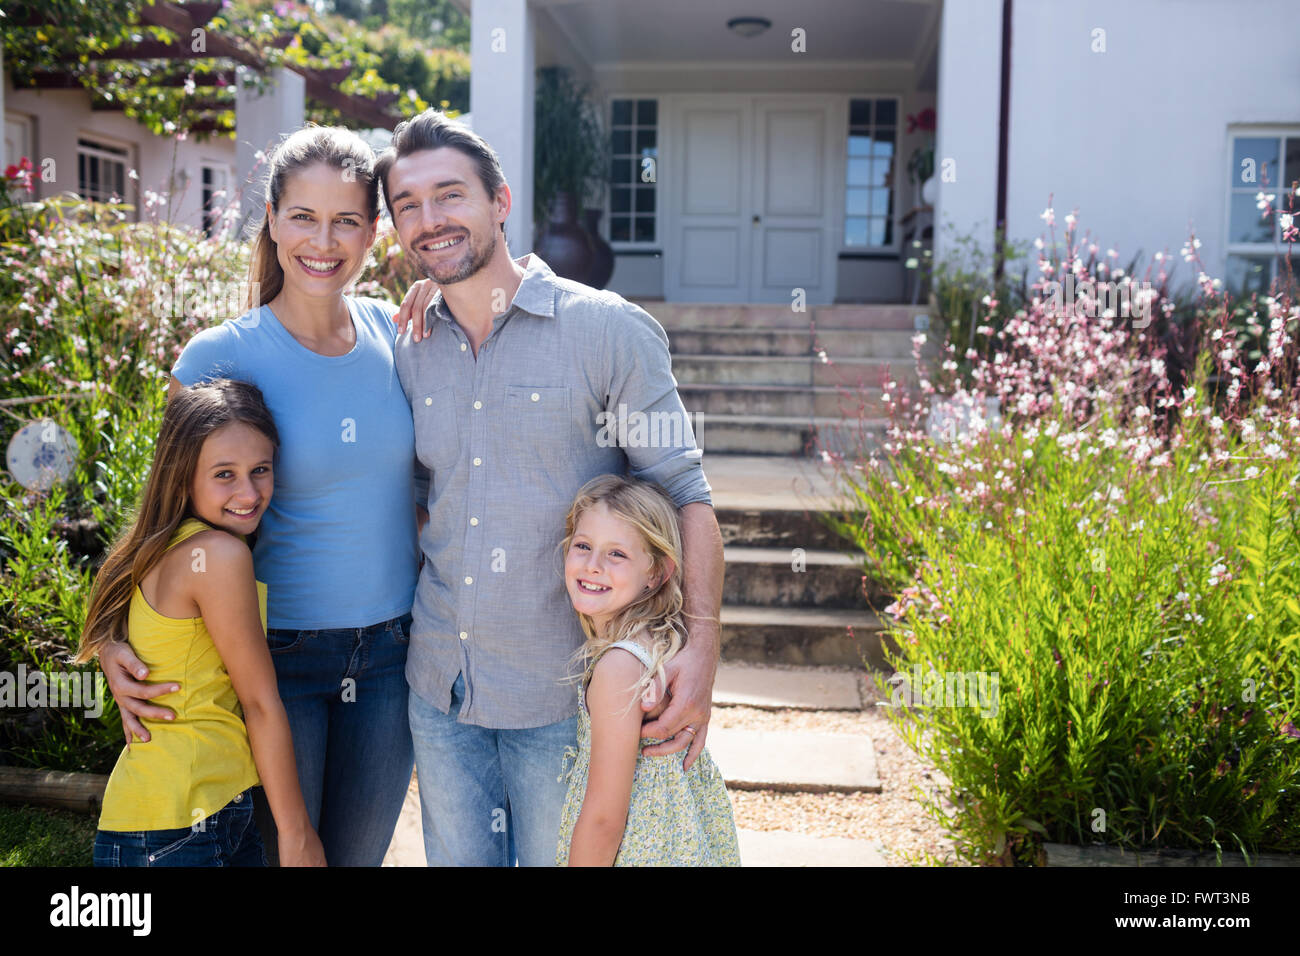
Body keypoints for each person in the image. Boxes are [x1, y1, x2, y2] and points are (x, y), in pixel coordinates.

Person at [382, 108, 726, 866]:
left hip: (563, 703)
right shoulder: (406, 347)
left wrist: (701, 649)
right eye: (407, 206)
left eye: (450, 196)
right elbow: (416, 499)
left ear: (500, 202)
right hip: (442, 692)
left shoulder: (608, 332)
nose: (429, 220)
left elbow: (686, 493)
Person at [97, 125, 436, 866]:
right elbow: (161, 518)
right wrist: (110, 638)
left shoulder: (400, 335)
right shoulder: (221, 352)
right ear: (274, 221)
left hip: (391, 654)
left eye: (346, 219)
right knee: (289, 853)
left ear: (374, 232)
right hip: (277, 659)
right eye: (304, 217)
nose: (324, 239)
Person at [77, 379, 326, 867]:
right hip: (184, 829)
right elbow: (259, 702)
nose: (249, 492)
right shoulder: (217, 556)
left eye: (260, 470)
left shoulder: (163, 547)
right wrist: (297, 835)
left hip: (168, 819)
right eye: (224, 475)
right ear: (183, 477)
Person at [555, 474, 740, 866]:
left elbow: (605, 819)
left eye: (616, 554)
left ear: (657, 573)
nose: (593, 565)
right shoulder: (662, 644)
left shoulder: (619, 668)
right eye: (583, 546)